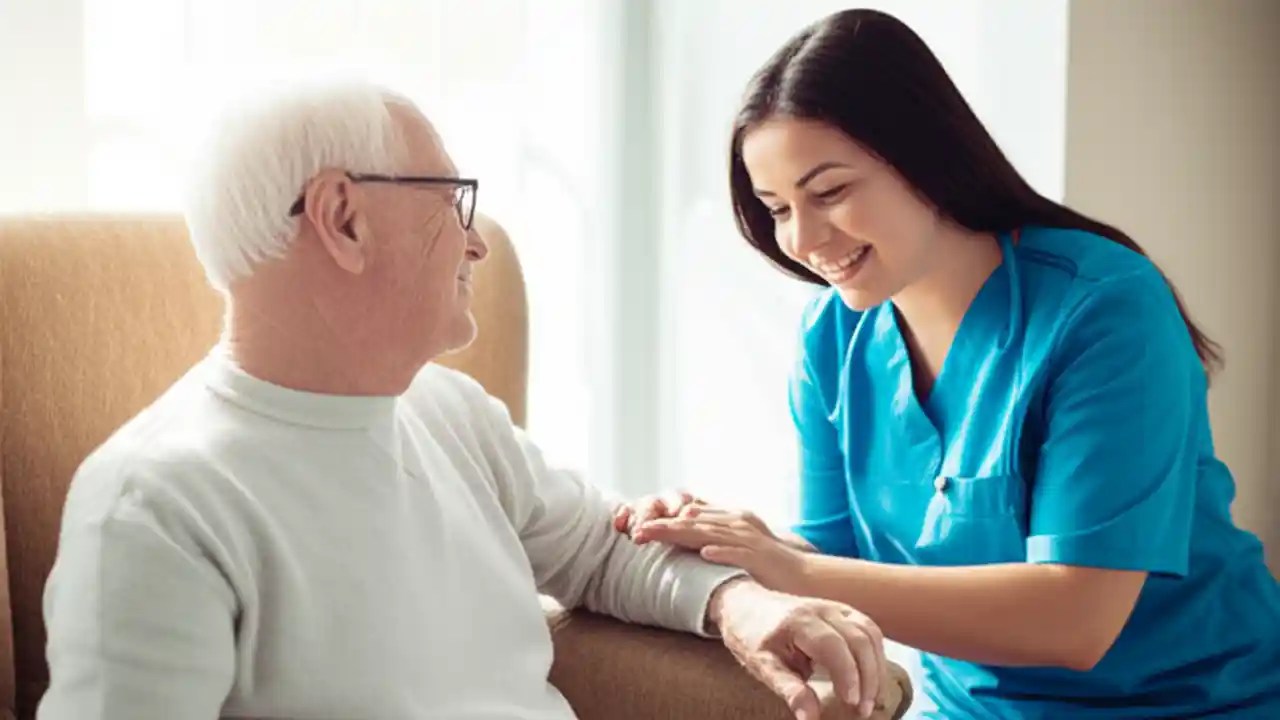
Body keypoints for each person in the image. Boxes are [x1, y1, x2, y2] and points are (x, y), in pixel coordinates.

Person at [37, 79, 888, 720]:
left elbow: (601, 551)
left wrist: (739, 601)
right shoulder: (154, 508)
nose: (477, 242)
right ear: (343, 218)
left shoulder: (448, 412)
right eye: (451, 202)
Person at [616, 8, 1280, 719]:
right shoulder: (834, 333)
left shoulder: (1107, 310)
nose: (801, 240)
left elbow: (1078, 619)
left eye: (830, 192)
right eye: (777, 208)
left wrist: (789, 564)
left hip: (1191, 705)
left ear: (921, 155)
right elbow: (832, 561)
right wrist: (722, 540)